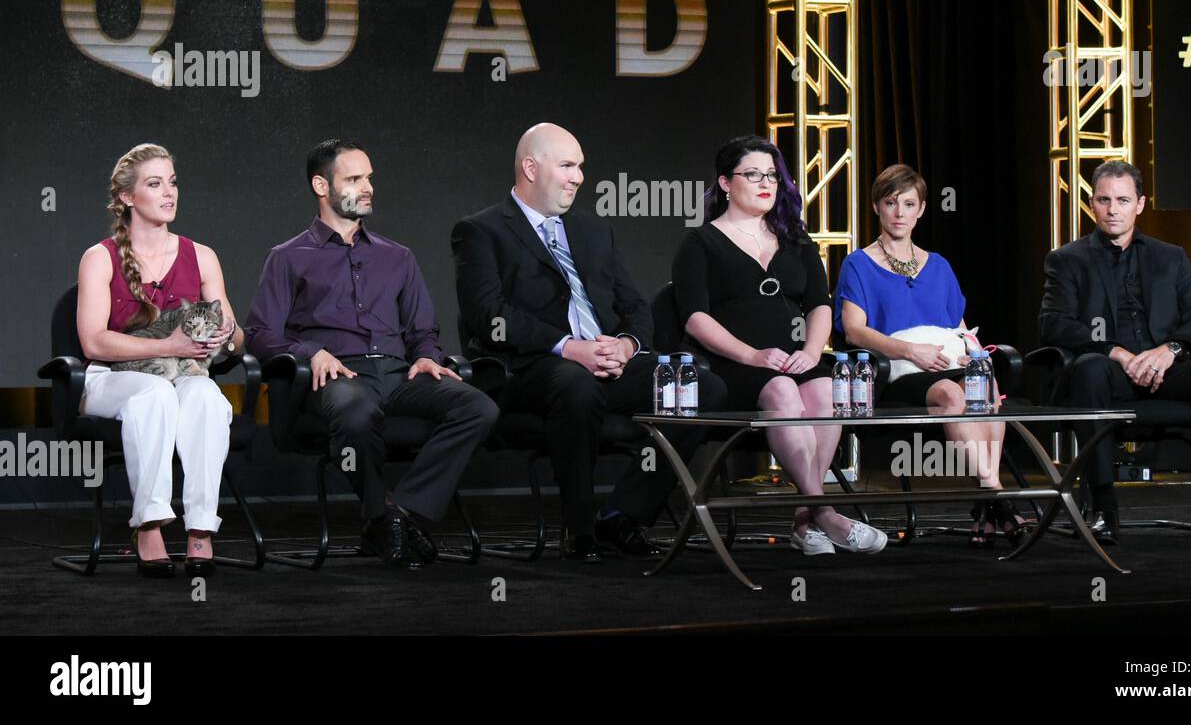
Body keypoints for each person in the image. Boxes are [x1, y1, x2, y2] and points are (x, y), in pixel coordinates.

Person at [451, 123, 726, 562]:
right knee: (574, 383)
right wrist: (568, 346)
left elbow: (635, 305)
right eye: (567, 166)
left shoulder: (595, 231)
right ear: (530, 167)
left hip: (606, 360)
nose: (579, 177)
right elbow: (490, 317)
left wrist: (627, 345)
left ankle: (622, 516)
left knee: (700, 385)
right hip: (530, 369)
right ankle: (579, 530)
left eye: (581, 166)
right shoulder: (481, 230)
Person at [245, 139, 499, 567]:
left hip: (401, 374)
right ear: (321, 186)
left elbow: (422, 329)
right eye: (355, 178)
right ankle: (381, 514)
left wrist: (427, 355)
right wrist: (312, 351)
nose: (368, 187)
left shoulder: (397, 256)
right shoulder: (288, 257)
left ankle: (400, 515)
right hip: (338, 376)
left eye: (369, 178)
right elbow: (259, 334)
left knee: (479, 408)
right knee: (355, 415)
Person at [673, 135, 889, 556]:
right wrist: (753, 355)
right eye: (752, 174)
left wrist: (811, 351)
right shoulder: (700, 243)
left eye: (771, 174)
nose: (765, 182)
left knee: (828, 388)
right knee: (782, 390)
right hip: (732, 365)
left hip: (794, 358)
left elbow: (820, 306)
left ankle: (805, 519)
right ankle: (824, 512)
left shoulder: (796, 239)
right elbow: (695, 318)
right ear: (724, 182)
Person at [1039, 159, 1191, 544]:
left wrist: (1171, 350)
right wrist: (1118, 353)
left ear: (1140, 204)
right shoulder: (1067, 260)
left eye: (1123, 200)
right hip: (1109, 376)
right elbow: (1054, 324)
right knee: (1091, 368)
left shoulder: (1170, 256)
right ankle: (1104, 507)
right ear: (1091, 203)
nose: (1113, 209)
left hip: (1170, 372)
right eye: (1104, 200)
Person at [834, 164, 1025, 547]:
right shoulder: (859, 263)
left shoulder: (938, 266)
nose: (900, 213)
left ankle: (989, 496)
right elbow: (854, 330)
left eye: (909, 203)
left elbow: (960, 326)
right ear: (876, 207)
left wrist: (971, 356)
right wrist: (911, 351)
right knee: (953, 395)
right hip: (895, 371)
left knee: (984, 384)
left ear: (921, 209)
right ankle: (995, 495)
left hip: (943, 364)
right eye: (891, 203)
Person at [76, 143, 240, 578]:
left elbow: (237, 337)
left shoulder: (201, 255)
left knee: (205, 395)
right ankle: (149, 524)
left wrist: (226, 337)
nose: (169, 192)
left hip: (180, 373)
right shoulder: (100, 257)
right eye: (154, 184)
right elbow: (93, 343)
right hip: (113, 379)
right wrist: (168, 346)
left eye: (172, 182)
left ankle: (201, 528)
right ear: (128, 197)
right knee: (154, 395)